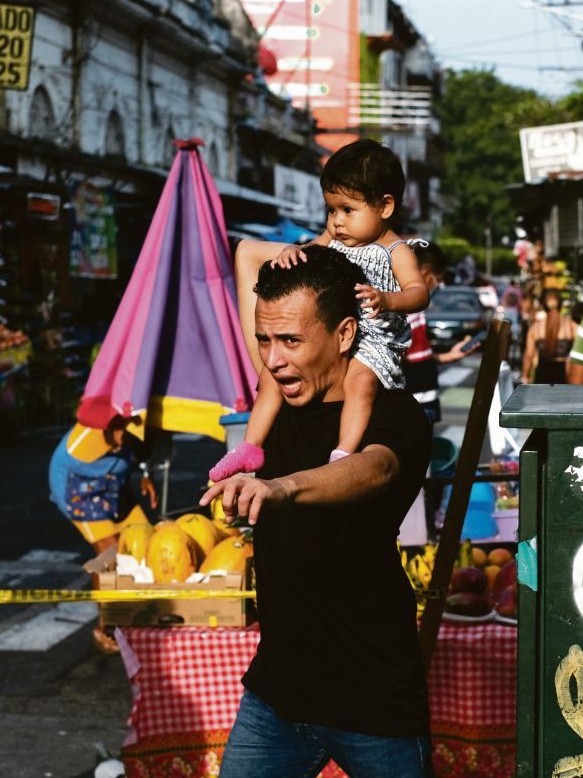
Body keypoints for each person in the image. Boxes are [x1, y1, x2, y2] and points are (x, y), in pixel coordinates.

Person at [201, 247, 432, 778]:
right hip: (275, 700)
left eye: (291, 341)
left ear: (345, 334)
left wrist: (281, 488)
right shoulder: (276, 400)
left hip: (374, 702)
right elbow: (246, 255)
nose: (273, 359)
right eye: (264, 340)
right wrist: (306, 248)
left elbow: (374, 470)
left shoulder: (393, 413)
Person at [210, 139, 428, 481]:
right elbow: (304, 252)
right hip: (338, 325)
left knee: (360, 383)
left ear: (385, 206)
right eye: (331, 210)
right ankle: (251, 445)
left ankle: (344, 451)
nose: (337, 221)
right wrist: (290, 253)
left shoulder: (396, 250)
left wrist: (389, 300)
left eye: (347, 210)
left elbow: (418, 292)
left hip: (373, 340)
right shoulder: (334, 239)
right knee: (269, 377)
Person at [48, 417, 157, 652]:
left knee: (148, 543)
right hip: (78, 487)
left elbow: (144, 448)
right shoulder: (87, 434)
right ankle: (106, 626)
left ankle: (139, 617)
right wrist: (115, 438)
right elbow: (77, 449)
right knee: (111, 553)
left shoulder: (141, 419)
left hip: (115, 484)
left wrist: (147, 473)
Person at [406, 242, 478, 422]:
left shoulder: (413, 309)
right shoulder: (403, 309)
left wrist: (449, 356)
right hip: (414, 403)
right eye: (438, 279)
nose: (439, 285)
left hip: (423, 398)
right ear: (426, 275)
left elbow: (418, 359)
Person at [522, 288, 576, 384]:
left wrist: (525, 376)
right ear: (561, 305)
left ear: (543, 305)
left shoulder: (535, 328)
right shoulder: (570, 325)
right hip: (564, 376)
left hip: (541, 375)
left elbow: (529, 355)